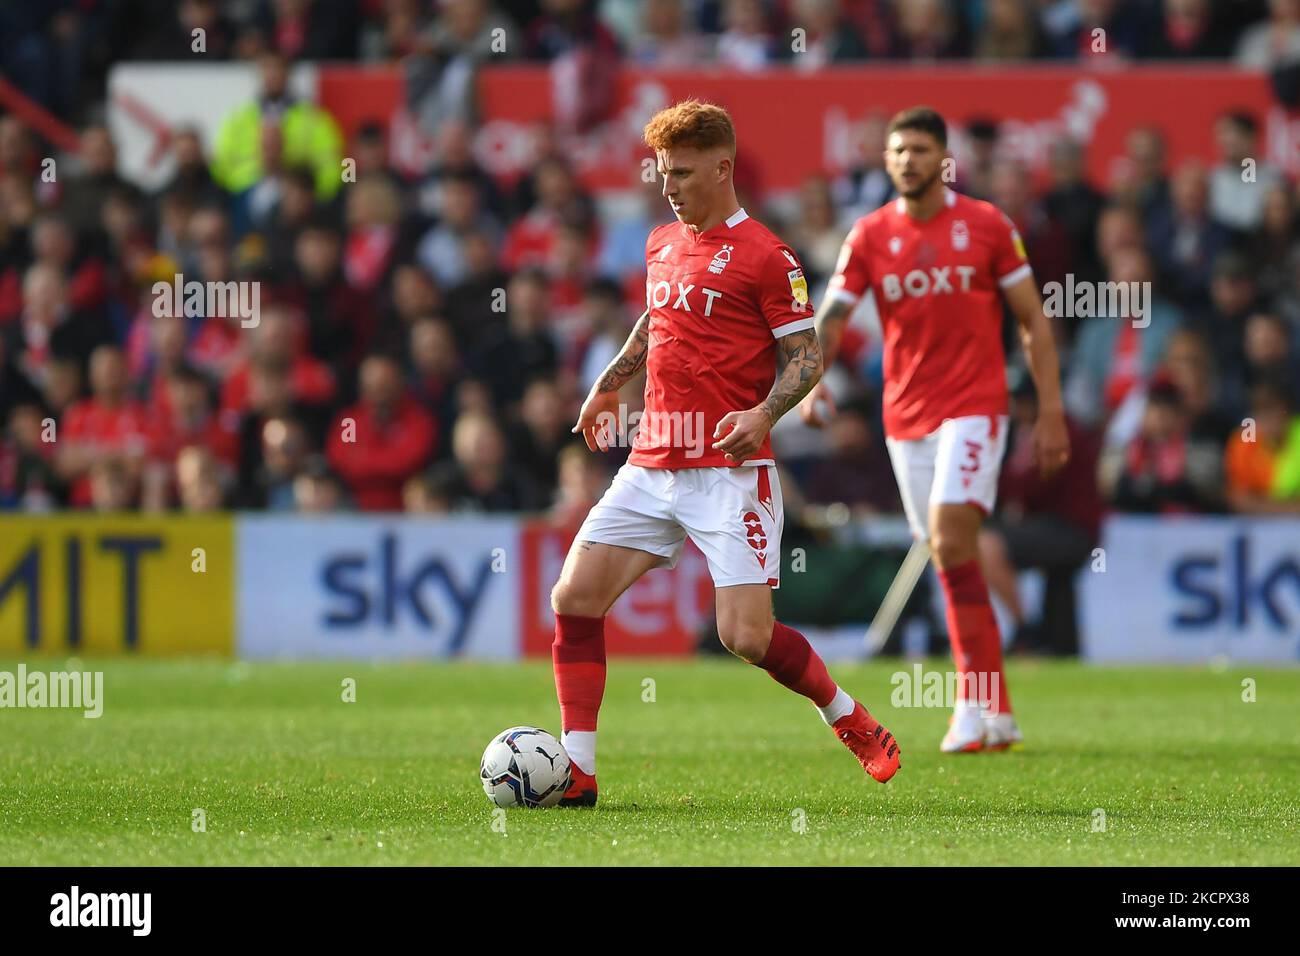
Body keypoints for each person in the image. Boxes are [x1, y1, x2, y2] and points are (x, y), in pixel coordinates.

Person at [551, 100, 901, 807]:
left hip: (729, 474)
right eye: (660, 174)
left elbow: (807, 357)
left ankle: (849, 718)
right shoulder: (660, 242)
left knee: (744, 635)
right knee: (574, 598)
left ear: (722, 167)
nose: (669, 186)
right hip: (652, 463)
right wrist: (607, 384)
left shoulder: (769, 257)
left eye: (681, 172)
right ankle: (577, 772)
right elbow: (657, 316)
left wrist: (765, 411)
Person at [802, 107, 1070, 753]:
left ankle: (967, 709)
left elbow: (1032, 318)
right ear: (886, 160)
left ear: (943, 158)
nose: (908, 160)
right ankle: (995, 711)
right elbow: (833, 319)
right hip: (905, 416)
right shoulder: (867, 235)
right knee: (951, 558)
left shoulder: (985, 226)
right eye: (898, 151)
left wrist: (1052, 410)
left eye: (920, 149)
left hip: (976, 405)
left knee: (951, 537)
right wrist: (814, 383)